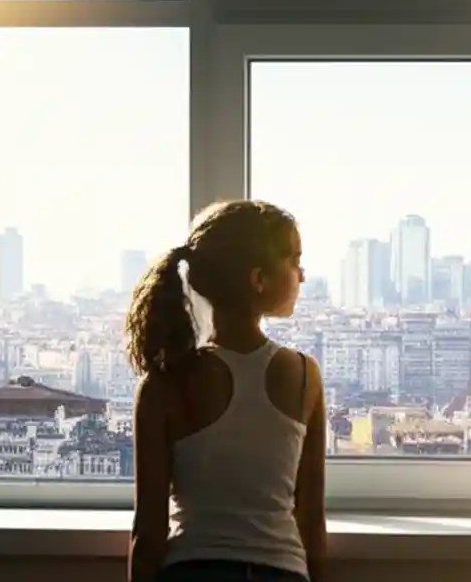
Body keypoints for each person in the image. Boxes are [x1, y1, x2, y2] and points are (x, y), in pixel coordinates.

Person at [126, 200, 327, 582]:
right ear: (258, 279)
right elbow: (311, 522)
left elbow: (148, 533)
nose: (301, 275)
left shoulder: (165, 383)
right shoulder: (302, 376)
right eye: (294, 260)